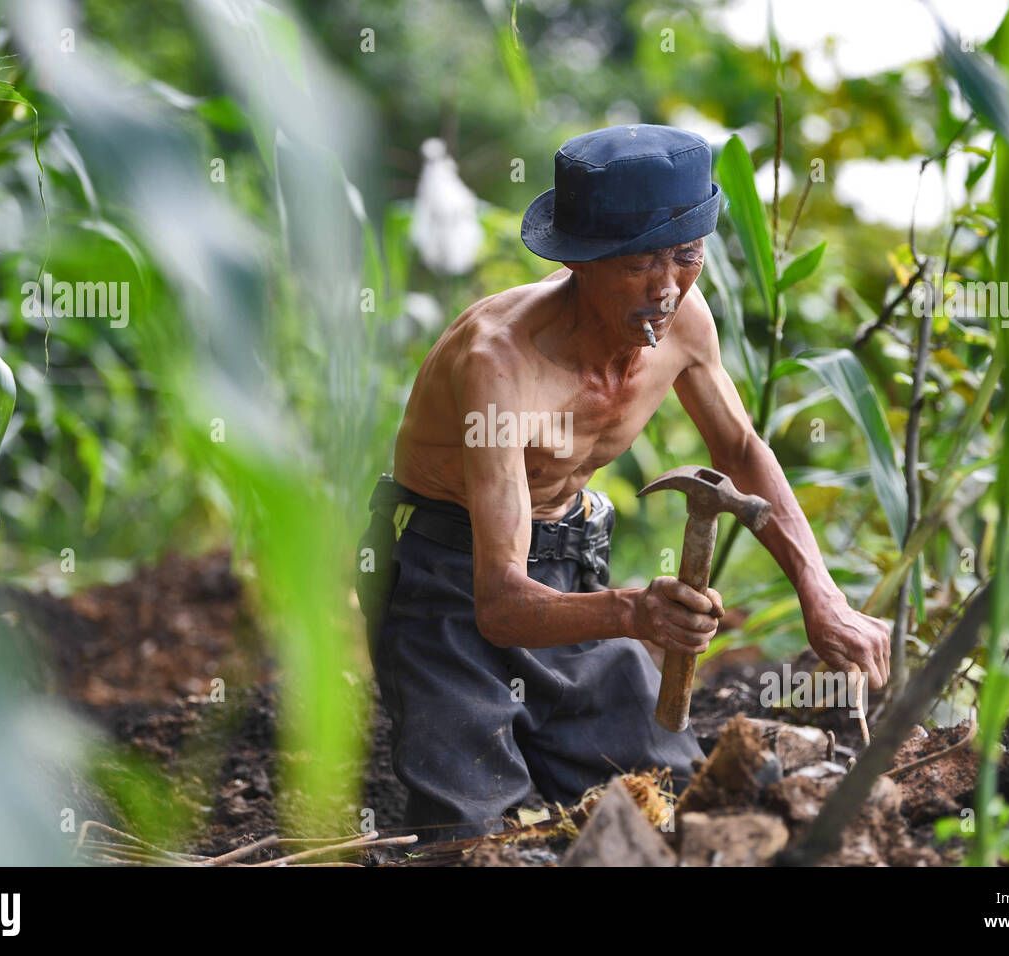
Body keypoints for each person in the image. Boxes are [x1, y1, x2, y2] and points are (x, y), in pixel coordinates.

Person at [356, 124, 891, 841]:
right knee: (479, 838)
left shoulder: (682, 321)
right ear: (583, 262)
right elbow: (500, 604)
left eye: (686, 257)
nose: (667, 288)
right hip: (445, 584)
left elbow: (738, 448)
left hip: (570, 572)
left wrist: (821, 594)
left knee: (667, 797)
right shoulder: (500, 365)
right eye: (640, 265)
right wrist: (635, 615)